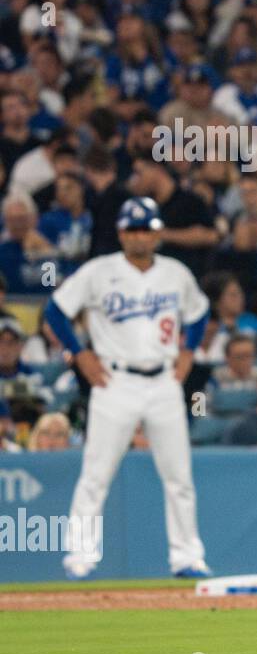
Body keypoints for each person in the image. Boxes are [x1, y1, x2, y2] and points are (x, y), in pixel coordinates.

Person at [42, 197, 211, 579]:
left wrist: (188, 350)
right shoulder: (99, 272)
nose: (140, 236)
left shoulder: (175, 273)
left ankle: (186, 556)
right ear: (121, 232)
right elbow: (55, 310)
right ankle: (80, 555)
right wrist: (78, 353)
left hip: (165, 379)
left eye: (147, 229)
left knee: (179, 476)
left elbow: (199, 313)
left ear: (157, 233)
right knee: (96, 473)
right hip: (114, 380)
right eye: (133, 229)